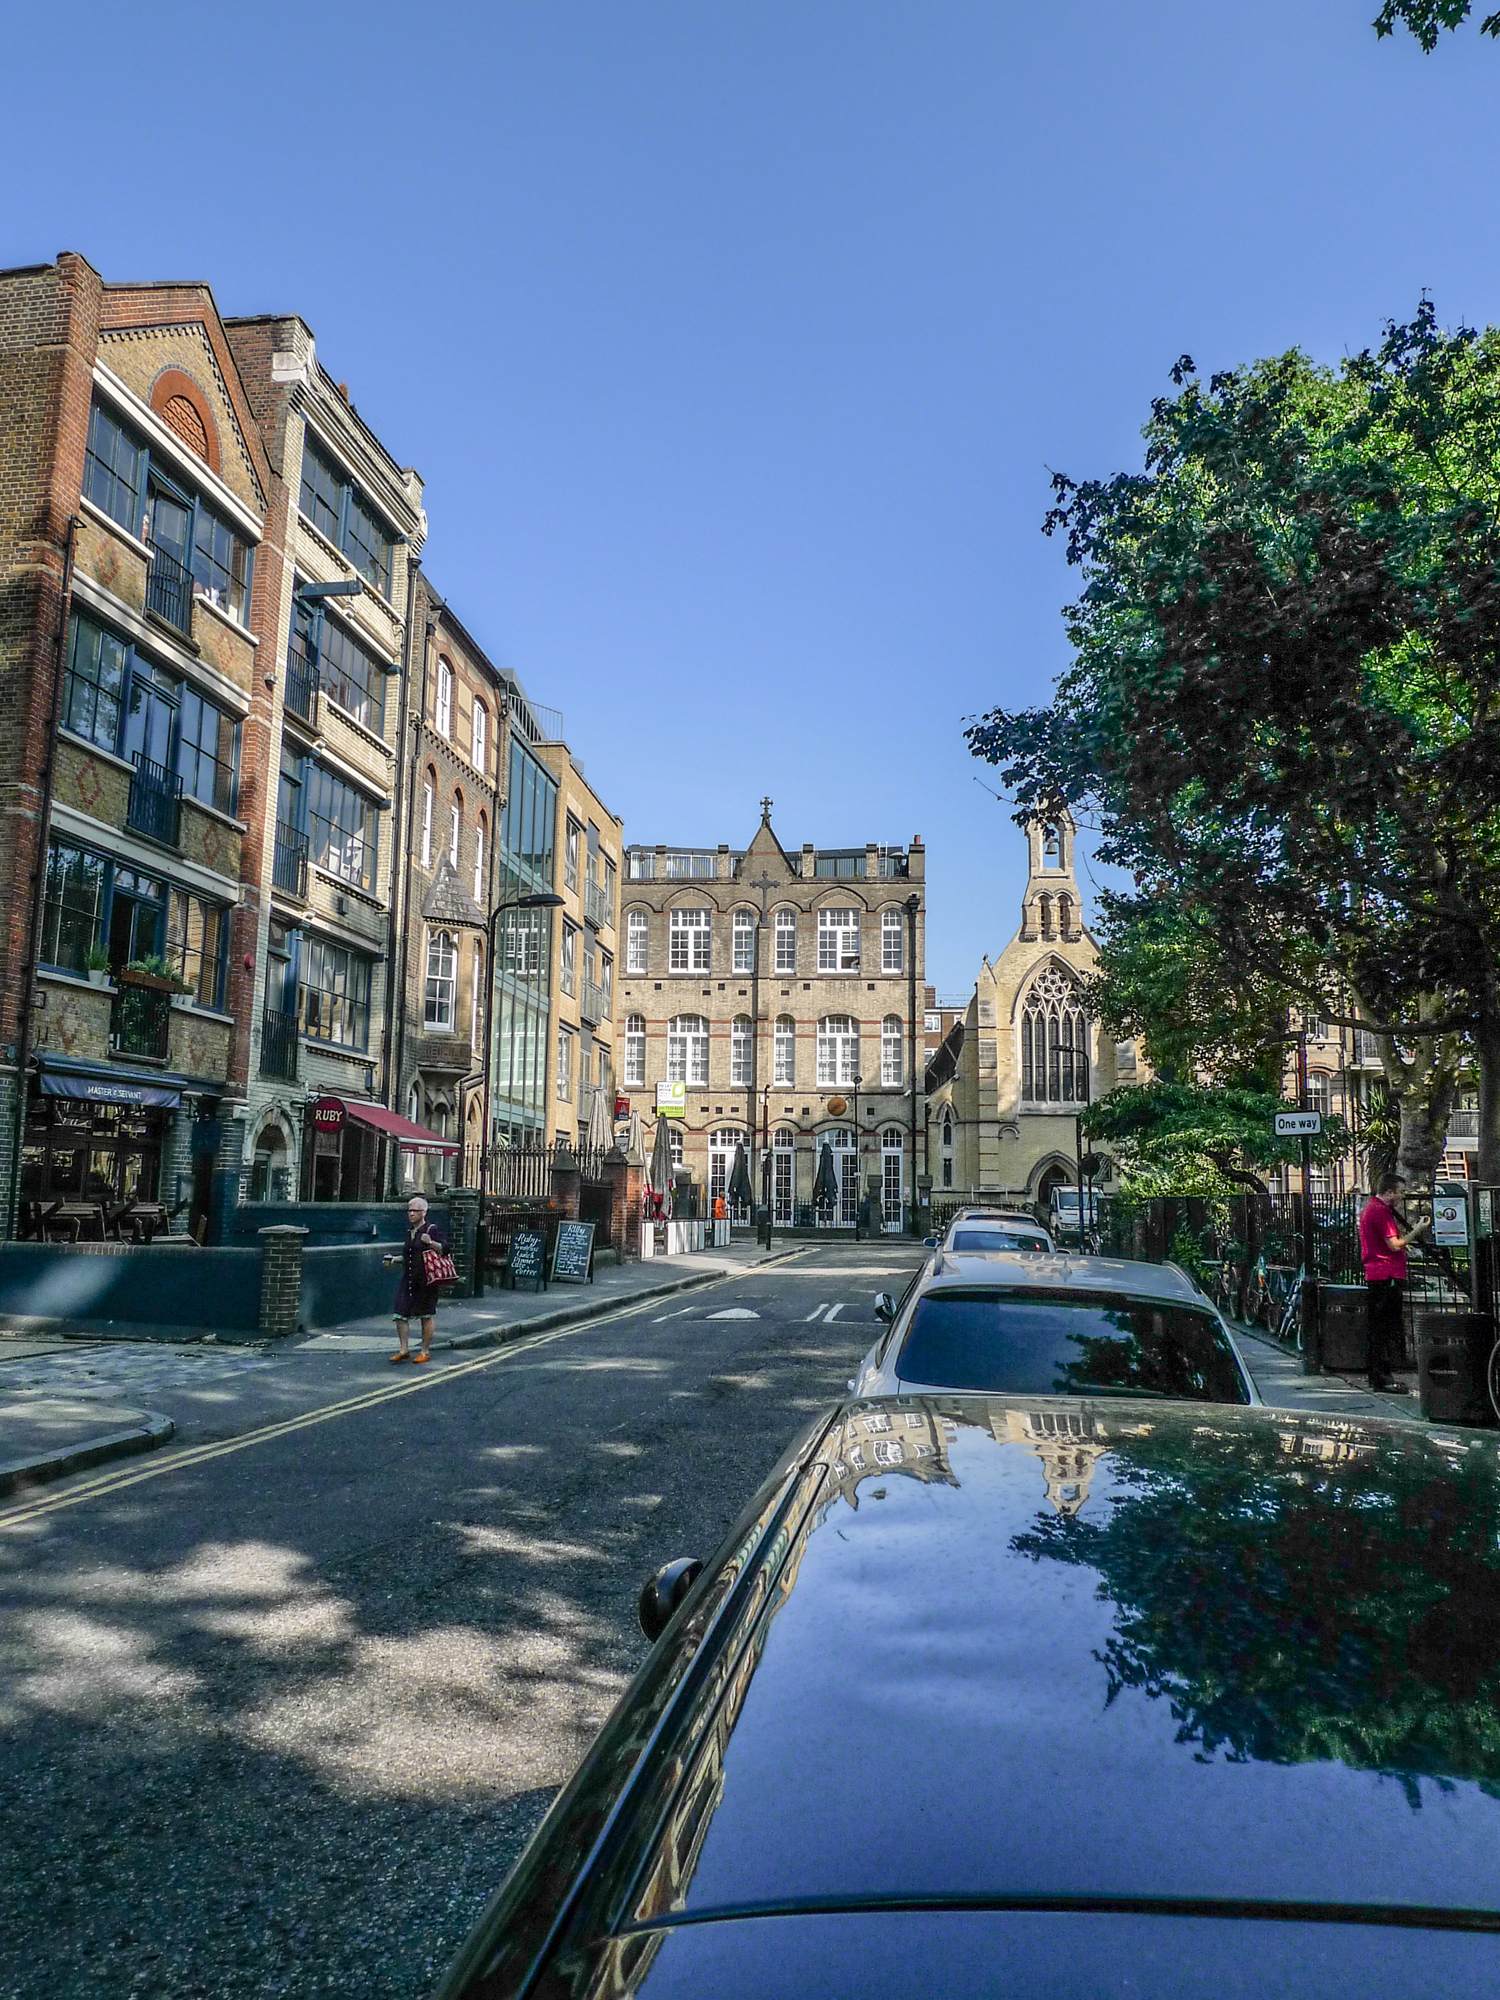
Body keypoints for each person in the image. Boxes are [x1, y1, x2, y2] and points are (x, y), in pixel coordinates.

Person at [1359, 1173, 1428, 1394]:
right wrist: (1417, 1230)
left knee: (1378, 1328)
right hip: (1386, 1274)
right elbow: (1394, 1245)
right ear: (1389, 1192)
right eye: (1400, 1192)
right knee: (1385, 1328)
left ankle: (1376, 1376)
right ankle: (1383, 1378)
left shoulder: (1371, 1207)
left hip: (1378, 1274)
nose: (1402, 1196)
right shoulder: (1380, 1211)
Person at [386, 1194, 449, 1365]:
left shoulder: (431, 1230)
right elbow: (409, 1255)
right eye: (409, 1211)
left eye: (415, 1211)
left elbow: (446, 1249)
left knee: (425, 1315)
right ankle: (404, 1349)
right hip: (409, 1278)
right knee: (400, 1314)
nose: (411, 1214)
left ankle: (424, 1351)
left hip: (426, 1280)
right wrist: (396, 1259)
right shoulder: (410, 1233)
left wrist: (431, 1243)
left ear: (424, 1212)